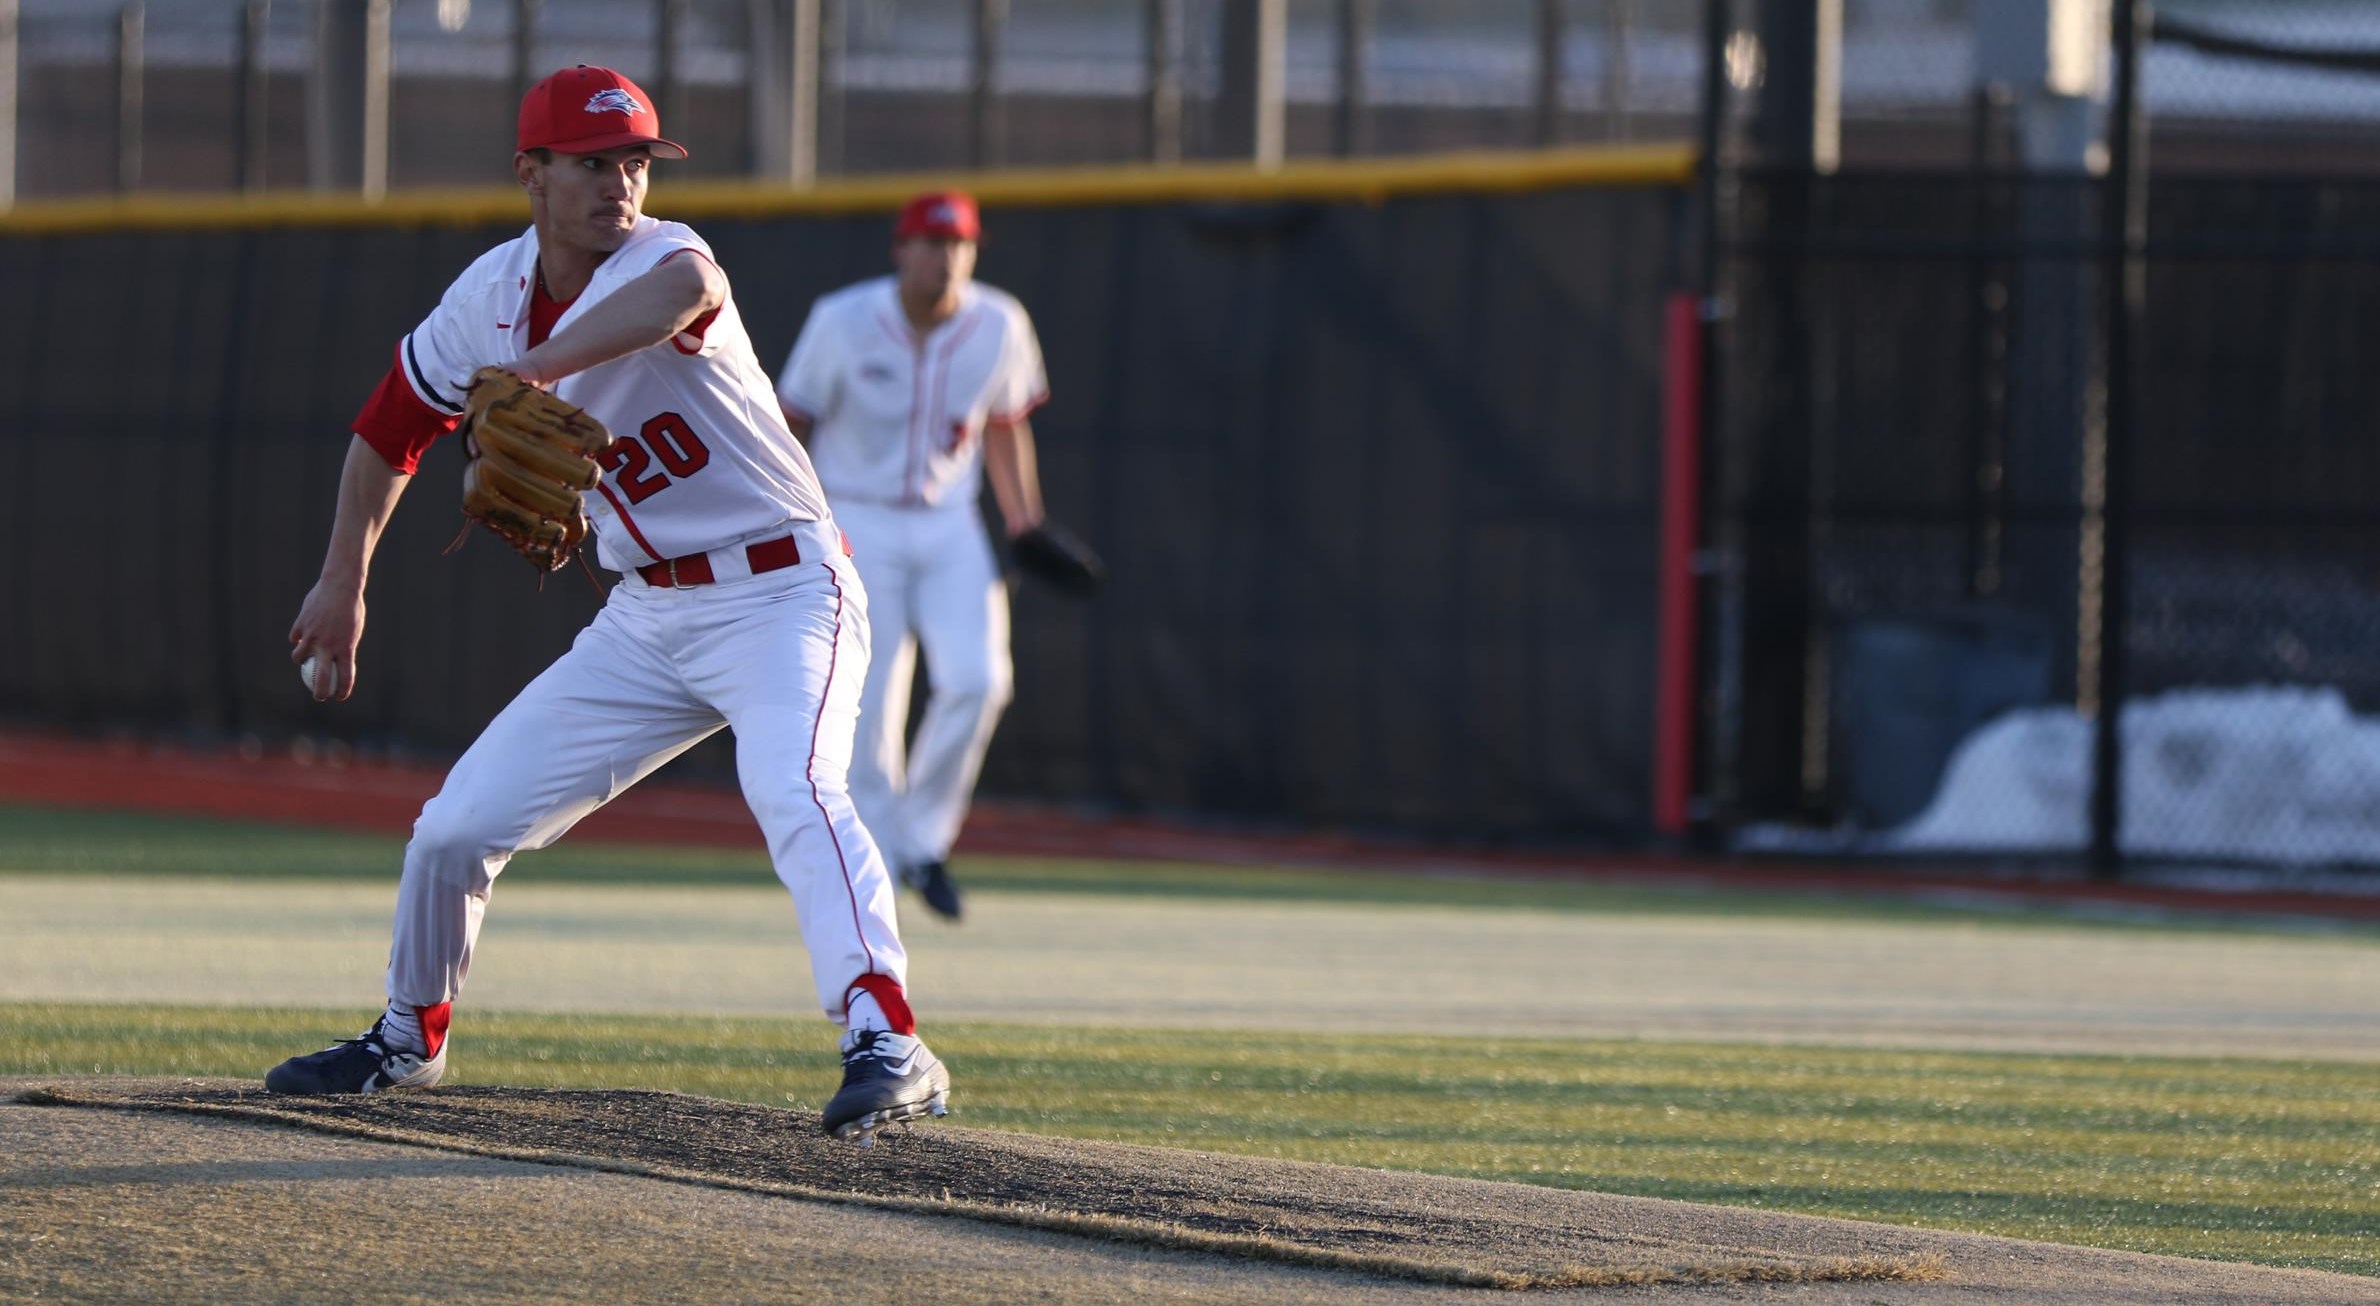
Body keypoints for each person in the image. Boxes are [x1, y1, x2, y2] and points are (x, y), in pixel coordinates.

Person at [265, 65, 948, 1143]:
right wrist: (343, 578)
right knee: (454, 829)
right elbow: (389, 429)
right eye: (591, 163)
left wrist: (532, 372)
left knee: (797, 786)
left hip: (782, 591)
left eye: (635, 161)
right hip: (647, 617)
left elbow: (683, 295)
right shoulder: (485, 298)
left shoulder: (663, 256)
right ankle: (407, 1037)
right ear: (530, 173)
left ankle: (887, 1036)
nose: (619, 183)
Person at [774, 192, 1051, 924]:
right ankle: (878, 857)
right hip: (856, 513)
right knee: (873, 699)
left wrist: (1024, 522)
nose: (944, 257)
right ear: (901, 249)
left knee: (982, 681)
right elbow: (791, 421)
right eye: (930, 242)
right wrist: (796, 523)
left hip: (950, 520)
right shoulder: (843, 318)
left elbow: (1005, 423)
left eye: (958, 244)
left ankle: (923, 840)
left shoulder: (1001, 322)